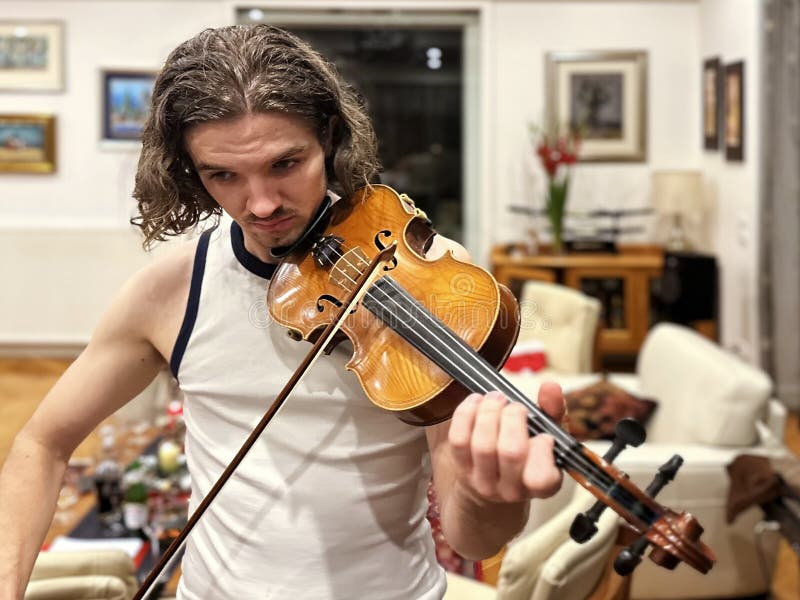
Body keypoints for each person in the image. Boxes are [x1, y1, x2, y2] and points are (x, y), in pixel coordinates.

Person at [0, 25, 565, 599]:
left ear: (330, 140)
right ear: (190, 173)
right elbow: (39, 445)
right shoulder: (170, 291)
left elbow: (474, 540)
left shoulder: (430, 280)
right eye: (224, 175)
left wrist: (492, 492)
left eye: (285, 163)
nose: (262, 204)